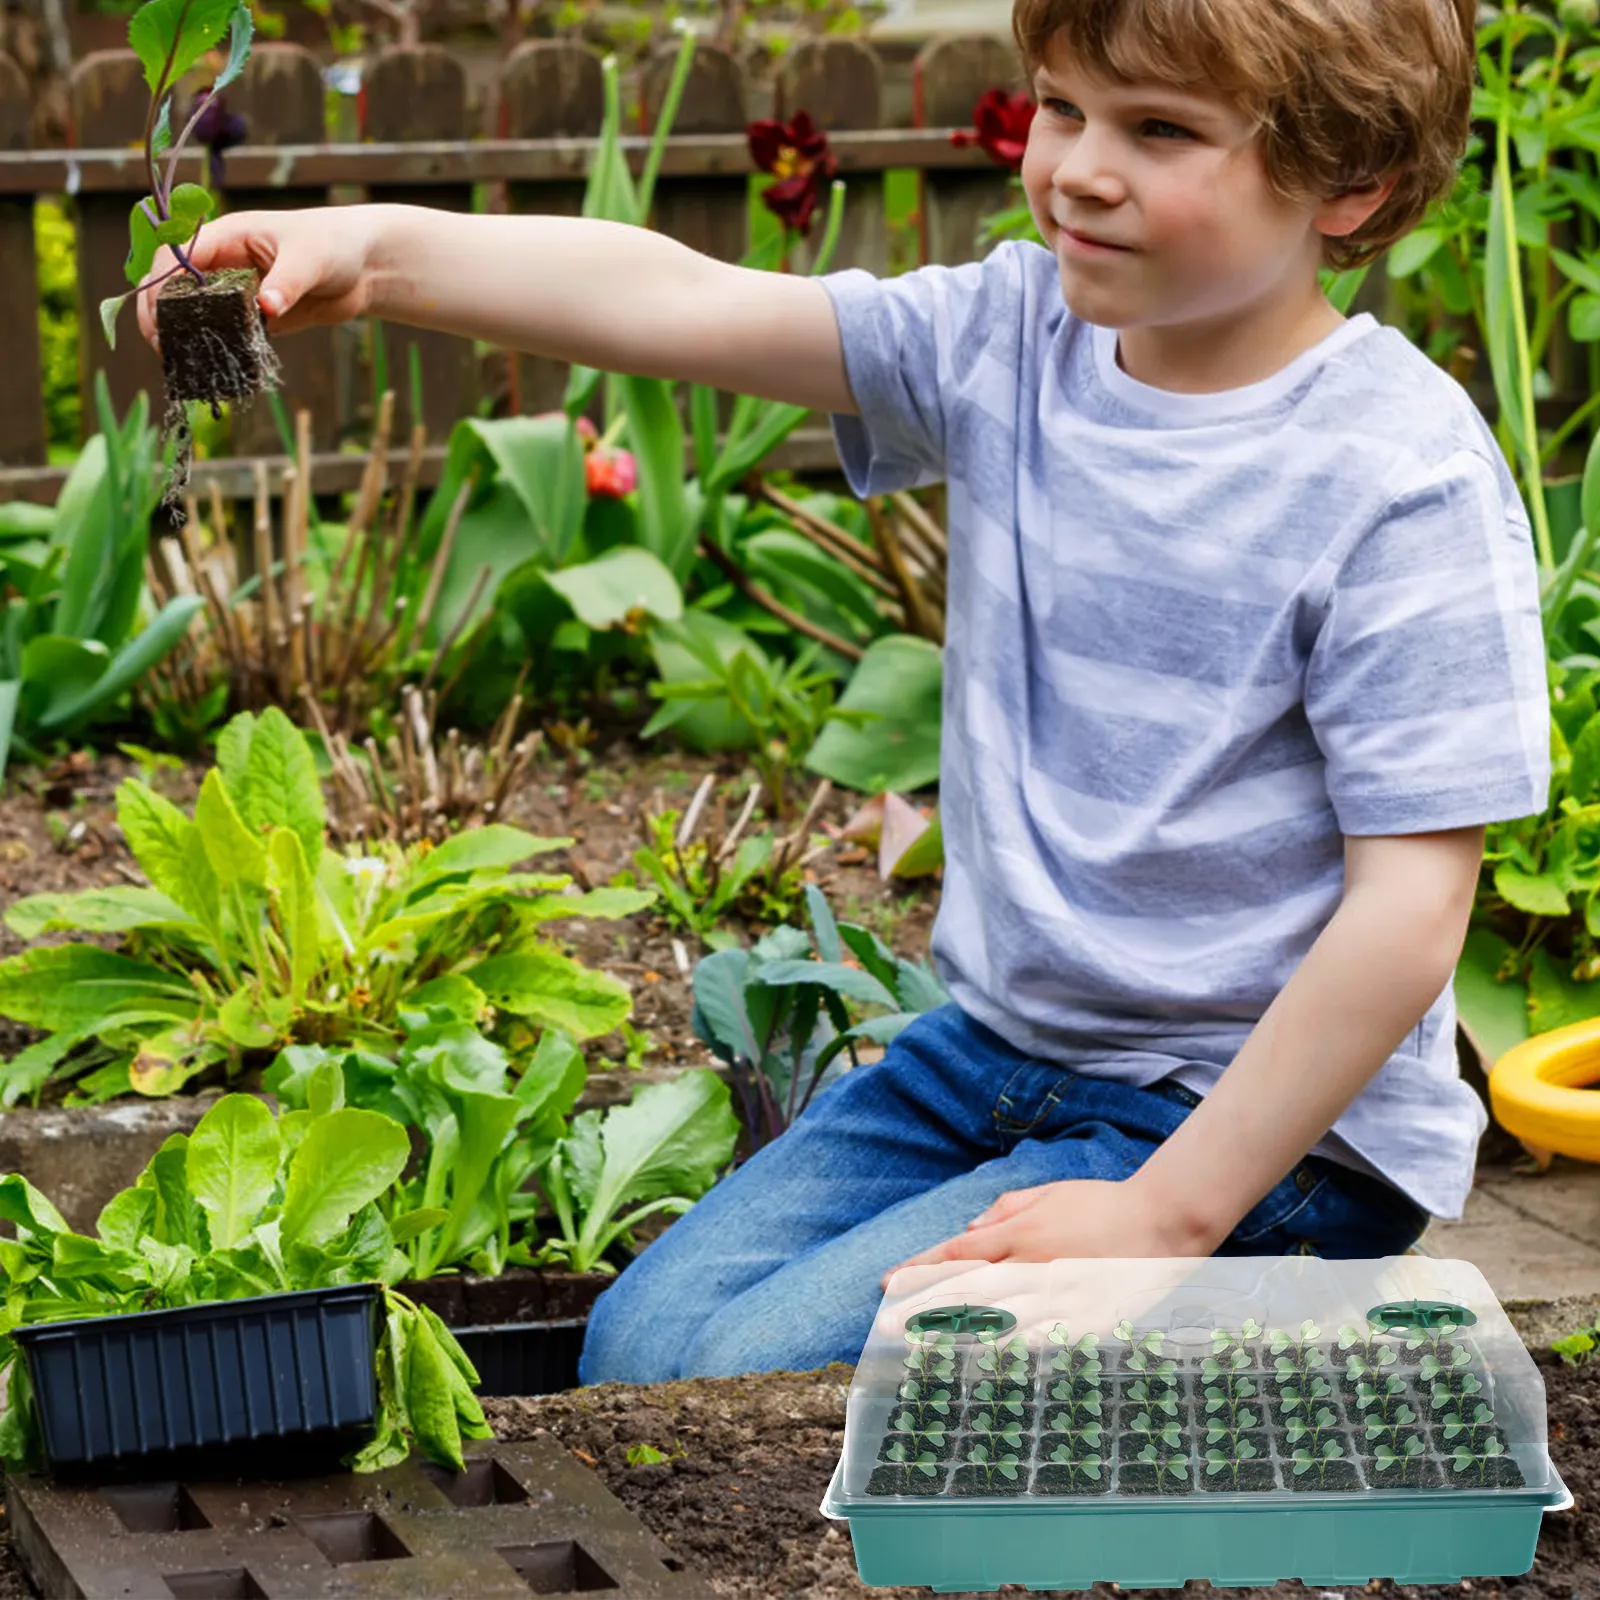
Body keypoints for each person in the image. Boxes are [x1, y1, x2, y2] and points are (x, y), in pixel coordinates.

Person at [142, 0, 1548, 1385]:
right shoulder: (1009, 342)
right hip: (993, 1059)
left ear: (1348, 183)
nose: (1079, 168)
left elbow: (1410, 910)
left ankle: (1255, 1338)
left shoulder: (1396, 475)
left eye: (1162, 129)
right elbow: (683, 295)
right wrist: (372, 255)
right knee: (648, 1348)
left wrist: (1161, 1219)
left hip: (1263, 1140)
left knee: (737, 1380)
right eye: (1062, 106)